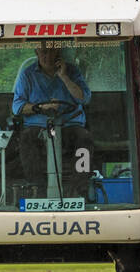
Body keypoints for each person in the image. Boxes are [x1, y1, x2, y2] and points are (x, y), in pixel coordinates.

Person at [11, 45, 95, 199]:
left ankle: (79, 190)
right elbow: (17, 107)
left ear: (59, 52)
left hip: (69, 124)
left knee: (84, 138)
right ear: (36, 52)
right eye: (43, 51)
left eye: (52, 51)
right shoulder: (27, 75)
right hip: (38, 126)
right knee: (26, 139)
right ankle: (37, 189)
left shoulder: (73, 72)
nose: (47, 56)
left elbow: (85, 98)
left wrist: (64, 77)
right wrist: (41, 107)